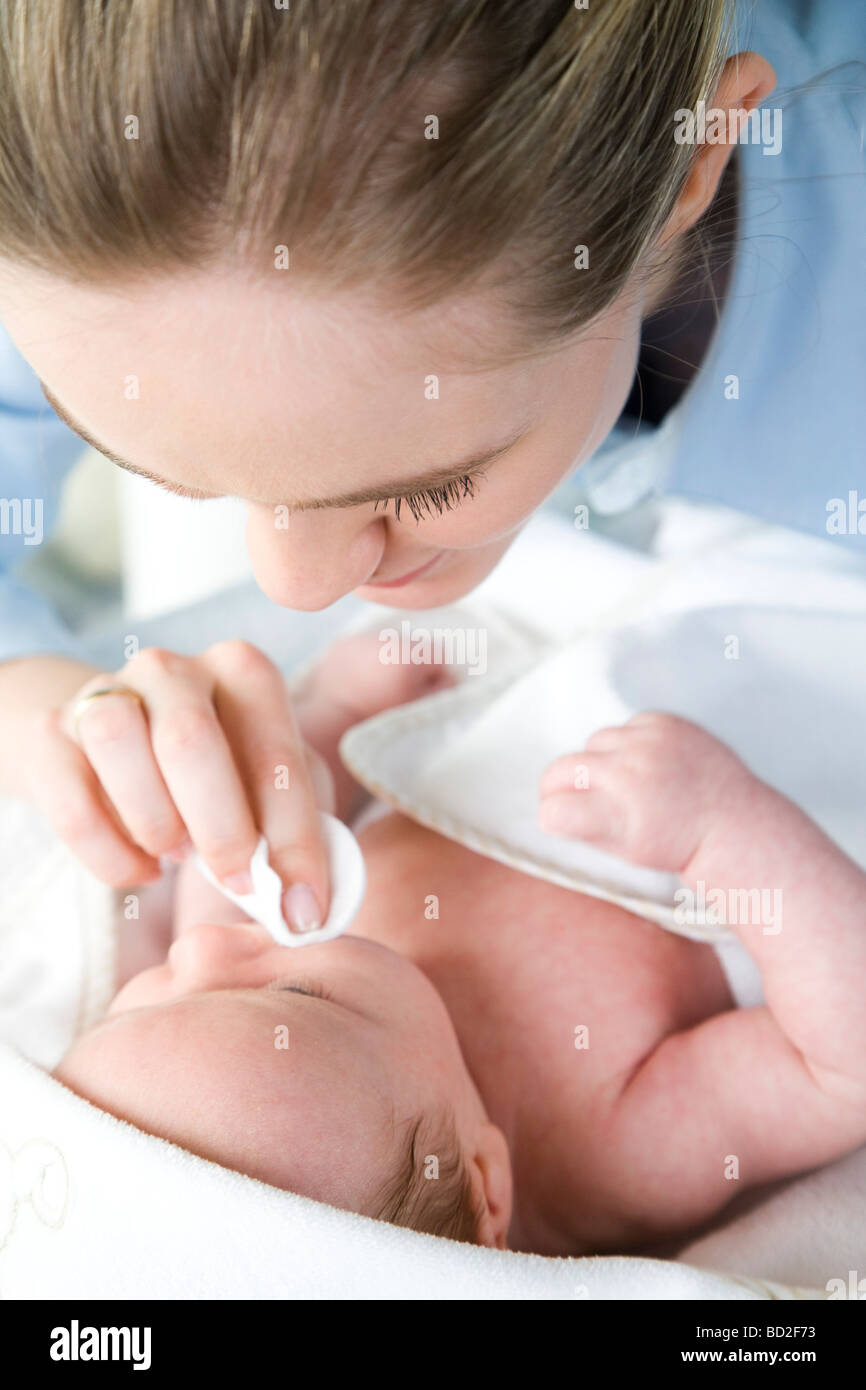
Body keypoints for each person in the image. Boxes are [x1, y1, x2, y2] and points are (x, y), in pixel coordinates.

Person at [0, 1, 862, 925]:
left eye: (428, 487)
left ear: (690, 163)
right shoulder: (66, 235)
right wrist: (32, 700)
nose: (297, 586)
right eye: (161, 469)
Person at [51, 634, 866, 1252]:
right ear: (482, 1185)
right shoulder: (600, 1149)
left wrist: (338, 709)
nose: (209, 950)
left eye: (153, 983)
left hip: (553, 657)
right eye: (294, 995)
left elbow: (278, 818)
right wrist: (722, 830)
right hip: (786, 698)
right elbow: (839, 1065)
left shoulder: (238, 950)